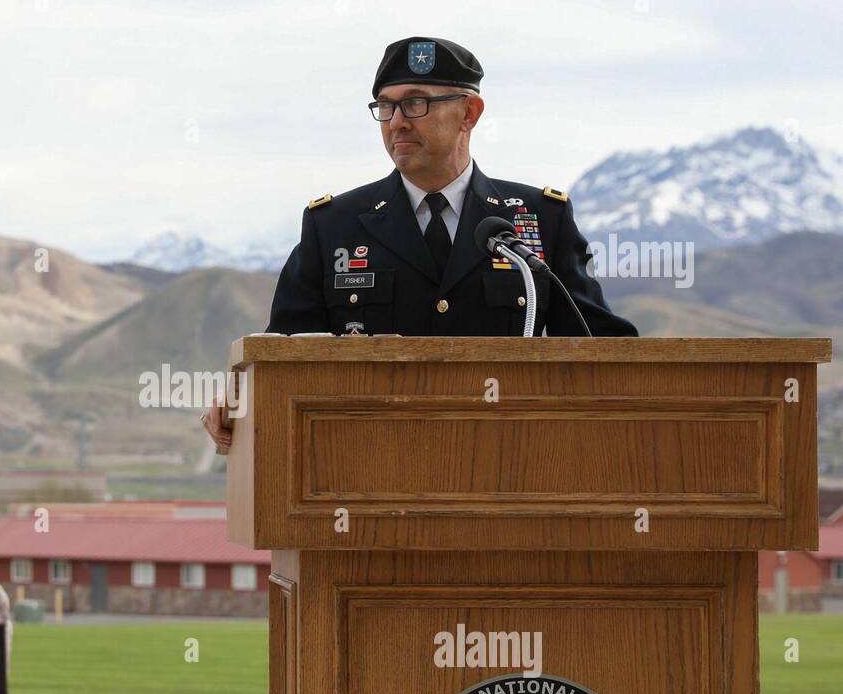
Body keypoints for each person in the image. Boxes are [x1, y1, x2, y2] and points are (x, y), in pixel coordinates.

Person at [202, 36, 637, 451]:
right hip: (371, 473)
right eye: (386, 106)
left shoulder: (539, 218)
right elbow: (284, 352)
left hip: (507, 467)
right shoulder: (334, 225)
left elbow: (597, 349)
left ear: (469, 112)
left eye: (415, 102)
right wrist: (243, 396)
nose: (397, 122)